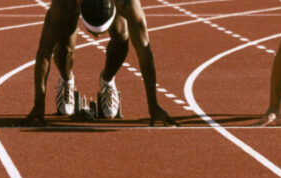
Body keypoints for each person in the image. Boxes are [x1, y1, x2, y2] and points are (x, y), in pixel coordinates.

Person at [22, 0, 177, 126]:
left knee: (122, 36)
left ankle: (107, 81)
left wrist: (153, 104)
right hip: (72, 5)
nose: (96, 36)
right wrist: (38, 103)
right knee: (64, 47)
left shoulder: (128, 4)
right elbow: (44, 51)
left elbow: (144, 51)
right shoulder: (64, 4)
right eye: (94, 31)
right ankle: (66, 79)